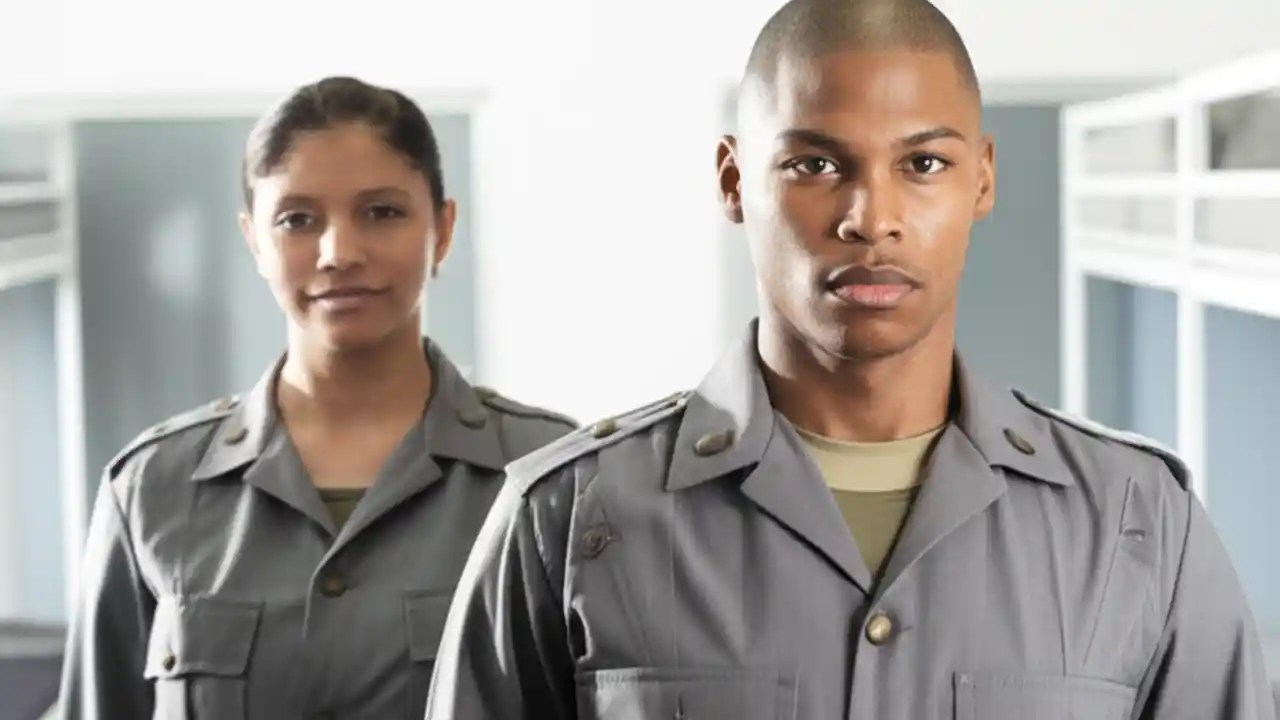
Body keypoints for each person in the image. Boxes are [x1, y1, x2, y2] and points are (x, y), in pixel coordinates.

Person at [424, 2, 1277, 718]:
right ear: (733, 181)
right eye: (816, 164)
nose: (871, 217)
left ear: (981, 179)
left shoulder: (1138, 522)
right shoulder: (566, 520)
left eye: (923, 163)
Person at [58, 76, 575, 719]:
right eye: (297, 220)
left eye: (381, 212)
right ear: (254, 239)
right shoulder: (151, 490)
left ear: (442, 229)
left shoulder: (551, 477)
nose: (338, 253)